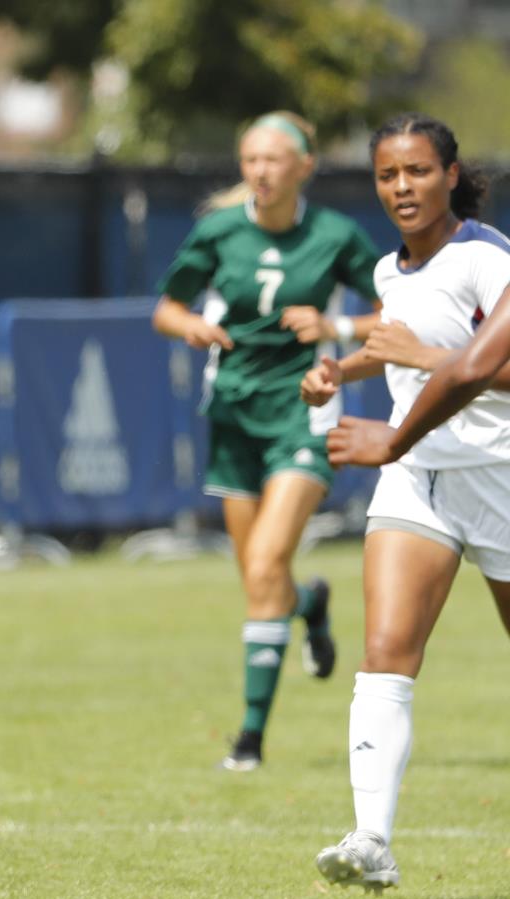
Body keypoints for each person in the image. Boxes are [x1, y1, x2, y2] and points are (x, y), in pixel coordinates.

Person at [151, 110, 383, 771]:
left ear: (304, 166)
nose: (259, 171)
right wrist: (191, 327)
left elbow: (394, 312)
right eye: (249, 159)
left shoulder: (336, 235)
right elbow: (165, 309)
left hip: (303, 416)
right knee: (262, 579)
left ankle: (250, 739)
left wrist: (334, 324)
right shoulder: (221, 231)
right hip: (233, 416)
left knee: (261, 570)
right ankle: (310, 602)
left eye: (273, 159)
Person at [314, 115, 510, 889]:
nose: (403, 187)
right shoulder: (391, 271)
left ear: (452, 175)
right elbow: (405, 352)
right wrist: (340, 372)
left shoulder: (488, 258)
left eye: (419, 172)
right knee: (386, 652)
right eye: (389, 175)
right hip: (421, 478)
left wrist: (388, 438)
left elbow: (477, 369)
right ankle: (371, 840)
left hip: (499, 472)